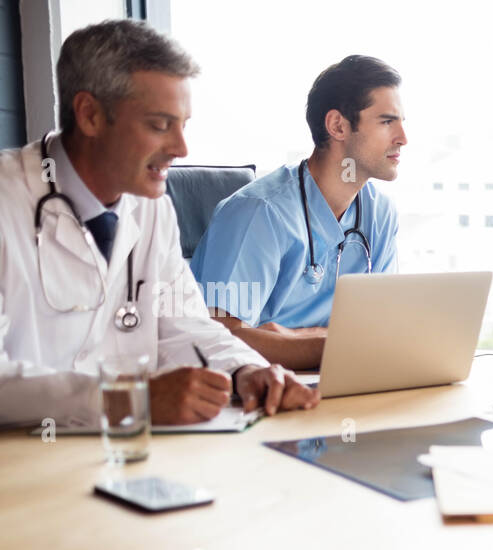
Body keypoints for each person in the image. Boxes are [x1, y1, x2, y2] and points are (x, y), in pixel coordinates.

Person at [0, 19, 316, 428]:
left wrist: (247, 370)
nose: (181, 149)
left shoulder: (151, 208)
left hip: (123, 455)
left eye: (183, 125)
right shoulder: (8, 200)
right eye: (159, 125)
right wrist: (127, 400)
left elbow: (186, 325)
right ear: (90, 115)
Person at [191, 55, 405, 370]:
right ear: (338, 125)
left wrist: (292, 338)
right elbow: (220, 337)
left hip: (342, 386)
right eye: (387, 122)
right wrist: (334, 346)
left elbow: (381, 329)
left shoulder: (379, 213)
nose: (402, 138)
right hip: (257, 396)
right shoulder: (258, 213)